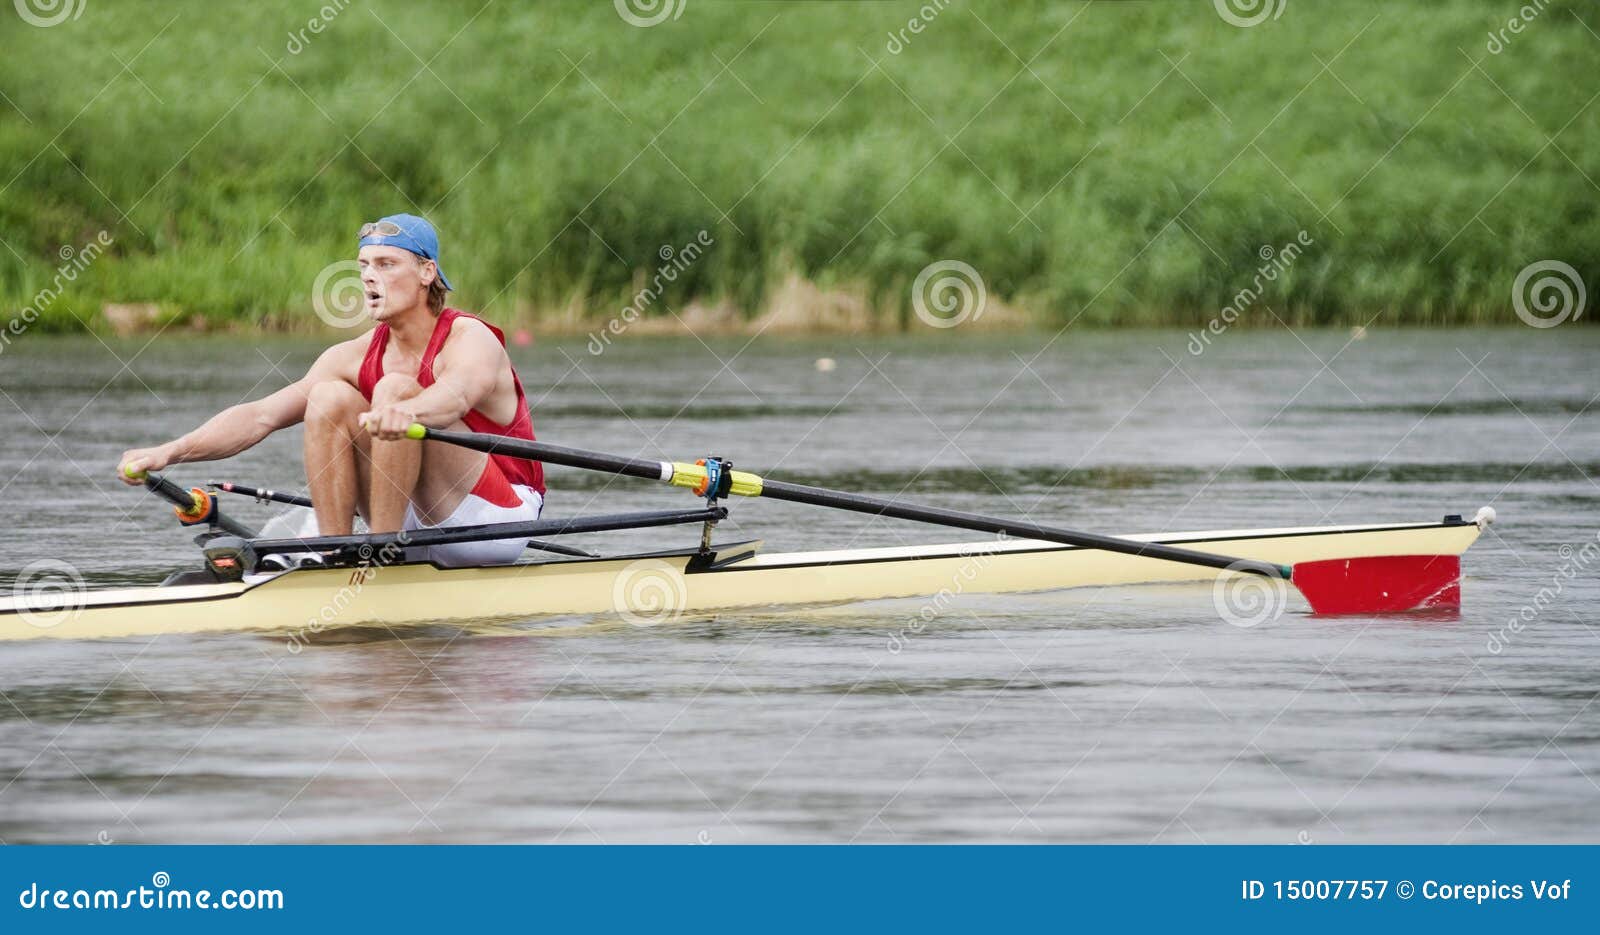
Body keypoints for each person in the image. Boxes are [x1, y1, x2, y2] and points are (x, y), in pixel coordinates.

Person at [117, 214, 545, 567]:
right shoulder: (353, 355)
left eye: (386, 264)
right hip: (413, 516)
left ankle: (381, 552)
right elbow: (261, 416)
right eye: (363, 267)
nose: (369, 278)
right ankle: (337, 552)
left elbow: (457, 394)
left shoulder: (470, 337)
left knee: (395, 389)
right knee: (326, 398)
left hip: (495, 517)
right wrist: (170, 452)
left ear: (426, 272)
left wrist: (408, 410)